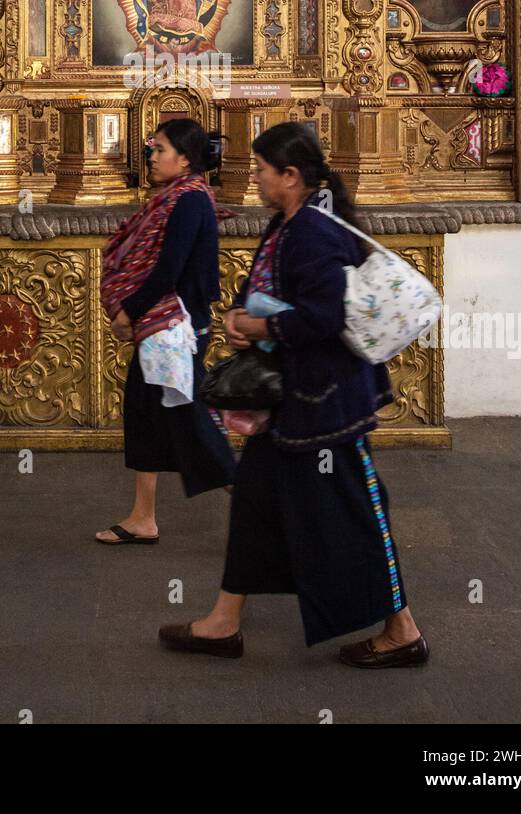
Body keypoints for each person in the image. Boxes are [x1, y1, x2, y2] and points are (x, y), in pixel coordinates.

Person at [159, 122, 428, 667]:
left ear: (291, 175)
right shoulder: (291, 221)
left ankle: (402, 630)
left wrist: (257, 330)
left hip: (328, 405)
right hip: (295, 403)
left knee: (356, 511)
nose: (254, 178)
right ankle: (222, 622)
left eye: (261, 170)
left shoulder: (314, 230)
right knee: (255, 503)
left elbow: (325, 316)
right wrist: (239, 315)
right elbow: (268, 286)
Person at [96, 119, 236, 544]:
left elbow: (167, 271)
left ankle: (262, 505)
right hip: (163, 325)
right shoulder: (172, 198)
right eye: (151, 149)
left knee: (189, 421)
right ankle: (143, 516)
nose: (152, 157)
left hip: (176, 326)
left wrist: (128, 312)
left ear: (186, 158)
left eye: (160, 150)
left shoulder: (189, 201)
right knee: (145, 413)